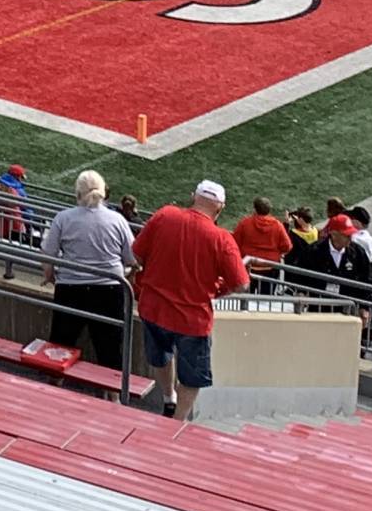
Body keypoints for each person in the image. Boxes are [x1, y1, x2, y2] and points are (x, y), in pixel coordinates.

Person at [132, 178, 251, 421]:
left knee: (161, 358)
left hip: (153, 309)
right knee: (191, 378)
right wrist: (219, 289)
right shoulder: (221, 239)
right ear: (220, 208)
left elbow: (137, 254)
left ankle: (168, 400)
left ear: (193, 197)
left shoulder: (165, 215)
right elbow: (241, 284)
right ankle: (176, 423)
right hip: (192, 321)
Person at [39, 170, 137, 368]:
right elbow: (131, 258)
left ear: (77, 193)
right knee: (110, 348)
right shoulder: (118, 220)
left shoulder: (63, 218)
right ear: (103, 193)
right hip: (109, 289)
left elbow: (48, 254)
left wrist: (50, 275)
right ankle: (112, 397)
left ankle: (53, 388)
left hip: (71, 287)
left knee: (60, 344)